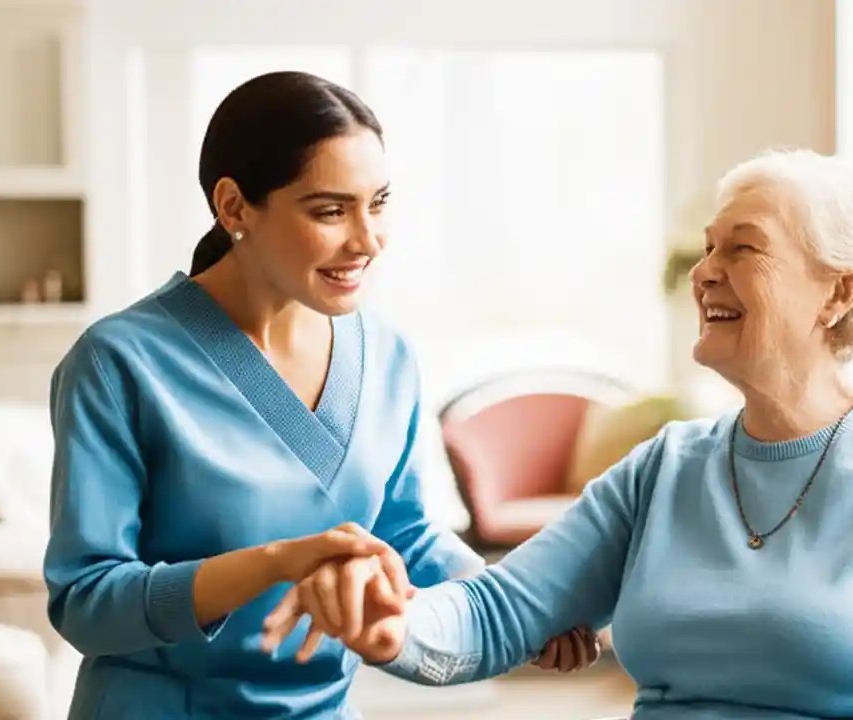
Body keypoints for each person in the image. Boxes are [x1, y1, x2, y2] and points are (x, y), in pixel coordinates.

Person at [264, 148, 853, 719]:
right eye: (708, 245)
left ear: (838, 292)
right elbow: (497, 612)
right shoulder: (667, 467)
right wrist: (390, 621)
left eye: (743, 247)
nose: (704, 271)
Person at [43, 70, 594, 720]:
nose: (368, 240)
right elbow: (86, 601)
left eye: (378, 203)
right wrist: (277, 563)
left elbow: (404, 535)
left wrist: (519, 607)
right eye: (331, 211)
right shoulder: (118, 363)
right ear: (234, 207)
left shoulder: (386, 355)